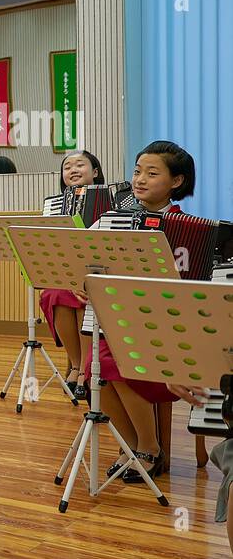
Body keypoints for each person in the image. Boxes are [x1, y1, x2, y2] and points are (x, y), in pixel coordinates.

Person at [74, 141, 198, 482]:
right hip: (119, 324)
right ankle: (131, 445)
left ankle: (148, 447)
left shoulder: (183, 227)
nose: (140, 180)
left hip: (163, 334)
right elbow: (84, 265)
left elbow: (187, 293)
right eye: (137, 171)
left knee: (116, 360)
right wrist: (80, 283)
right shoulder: (111, 221)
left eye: (152, 173)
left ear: (177, 181)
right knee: (95, 367)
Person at [37, 150, 105, 397]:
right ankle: (77, 364)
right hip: (68, 273)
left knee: (85, 297)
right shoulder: (56, 205)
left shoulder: (114, 200)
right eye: (67, 167)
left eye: (80, 165)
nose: (73, 170)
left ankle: (87, 368)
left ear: (95, 172)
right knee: (54, 294)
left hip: (99, 274)